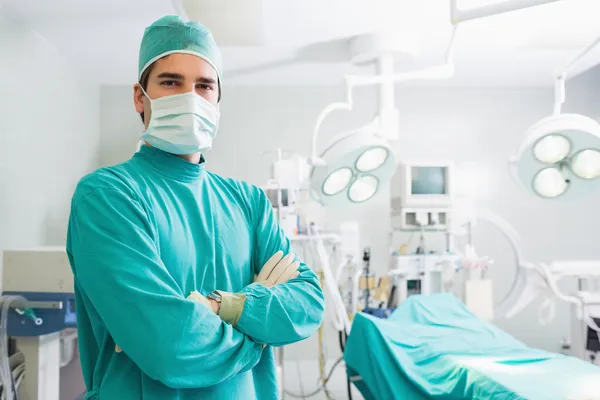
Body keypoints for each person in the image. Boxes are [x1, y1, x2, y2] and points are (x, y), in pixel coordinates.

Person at [66, 15, 325, 400]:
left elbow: (307, 304)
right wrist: (258, 336)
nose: (191, 97)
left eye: (204, 86)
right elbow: (171, 349)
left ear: (217, 101)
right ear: (140, 96)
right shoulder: (108, 196)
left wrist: (224, 307)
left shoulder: (248, 201)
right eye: (171, 82)